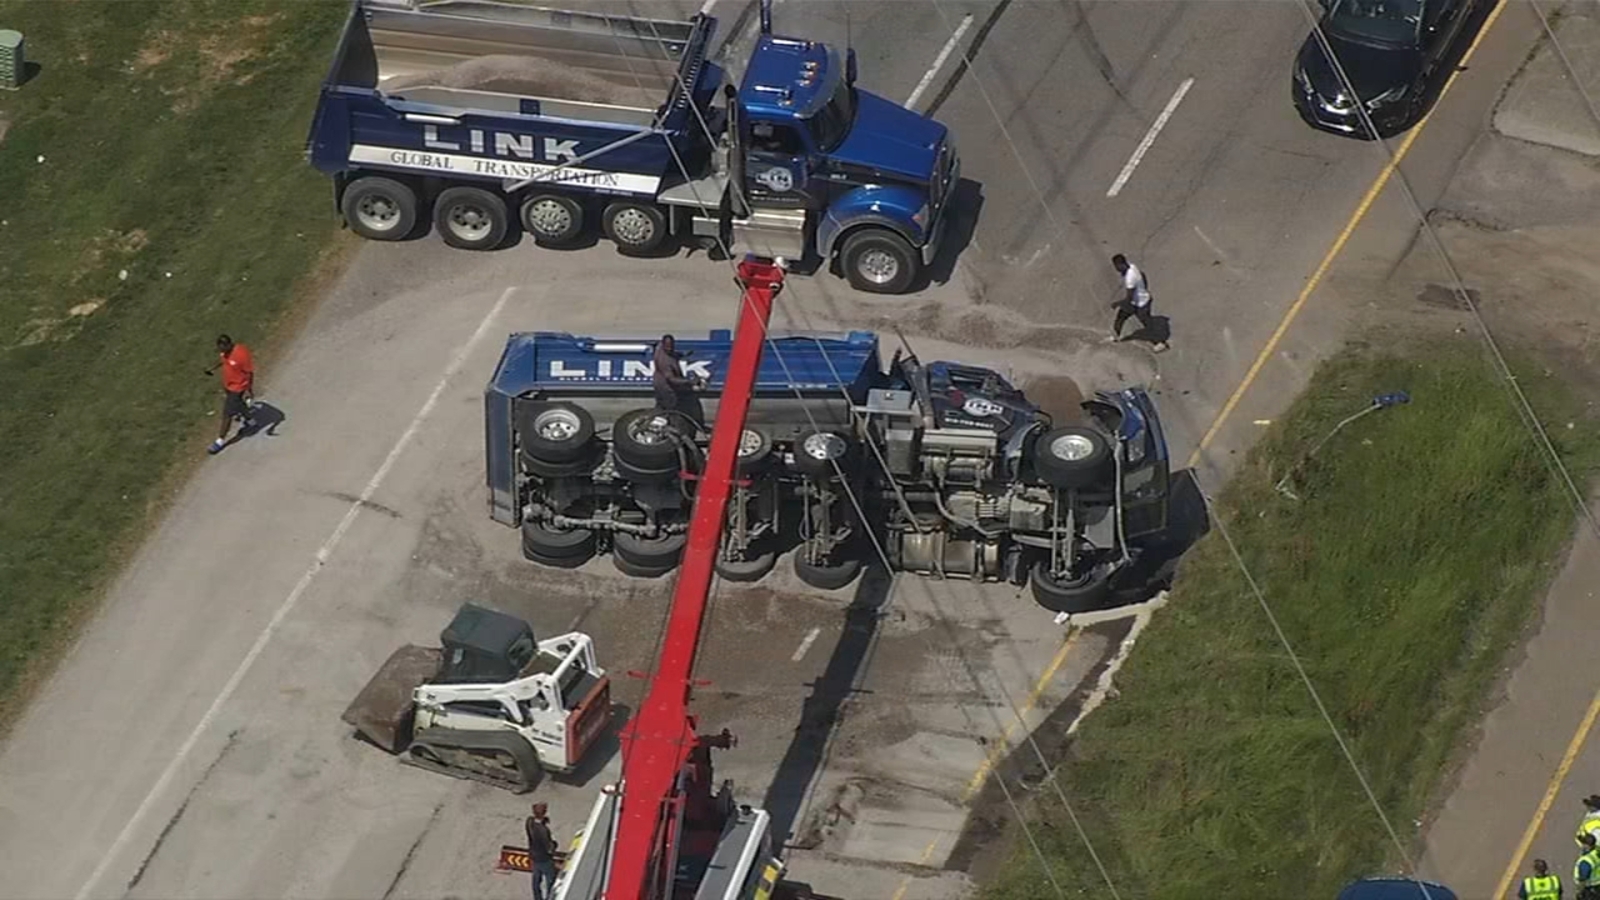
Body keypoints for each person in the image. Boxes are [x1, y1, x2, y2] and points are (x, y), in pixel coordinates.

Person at [1109, 253, 1168, 353]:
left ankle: (1160, 343)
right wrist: (1144, 288)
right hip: (1136, 301)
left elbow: (1129, 298)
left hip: (1141, 304)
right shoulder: (1132, 266)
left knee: (1146, 322)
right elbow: (1143, 275)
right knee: (1121, 316)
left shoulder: (1130, 278)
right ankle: (1115, 336)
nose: (1116, 269)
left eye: (1117, 267)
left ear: (1121, 265)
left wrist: (1117, 304)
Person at [207, 334, 255, 454]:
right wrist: (212, 368)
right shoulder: (225, 352)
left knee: (227, 414)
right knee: (238, 404)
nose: (221, 352)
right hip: (228, 385)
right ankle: (251, 421)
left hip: (238, 387)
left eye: (222, 349)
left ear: (228, 345)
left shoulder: (241, 354)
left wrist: (249, 389)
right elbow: (223, 361)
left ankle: (220, 441)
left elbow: (249, 373)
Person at [652, 334, 701, 412]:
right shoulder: (664, 361)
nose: (669, 348)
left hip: (667, 385)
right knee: (670, 407)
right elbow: (671, 379)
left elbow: (674, 354)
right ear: (663, 344)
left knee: (663, 406)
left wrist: (684, 354)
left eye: (671, 346)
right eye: (667, 346)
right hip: (665, 388)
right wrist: (690, 381)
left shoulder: (664, 350)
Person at [525, 801, 558, 900]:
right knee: (550, 881)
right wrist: (555, 844)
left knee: (536, 880)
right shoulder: (544, 830)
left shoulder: (529, 822)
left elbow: (534, 821)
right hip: (544, 859)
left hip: (534, 856)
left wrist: (543, 820)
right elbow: (549, 848)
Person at [1575, 833, 1600, 900]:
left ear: (1587, 846)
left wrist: (1579, 892)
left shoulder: (1586, 861)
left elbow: (1583, 879)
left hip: (1590, 891)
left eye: (1583, 844)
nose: (1582, 845)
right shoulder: (1597, 852)